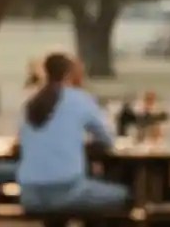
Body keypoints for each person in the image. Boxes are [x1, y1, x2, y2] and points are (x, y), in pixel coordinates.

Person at [16, 53, 128, 213]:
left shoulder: (32, 102)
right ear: (69, 74)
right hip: (66, 190)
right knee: (123, 195)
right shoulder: (79, 99)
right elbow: (107, 138)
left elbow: (21, 139)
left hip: (29, 194)